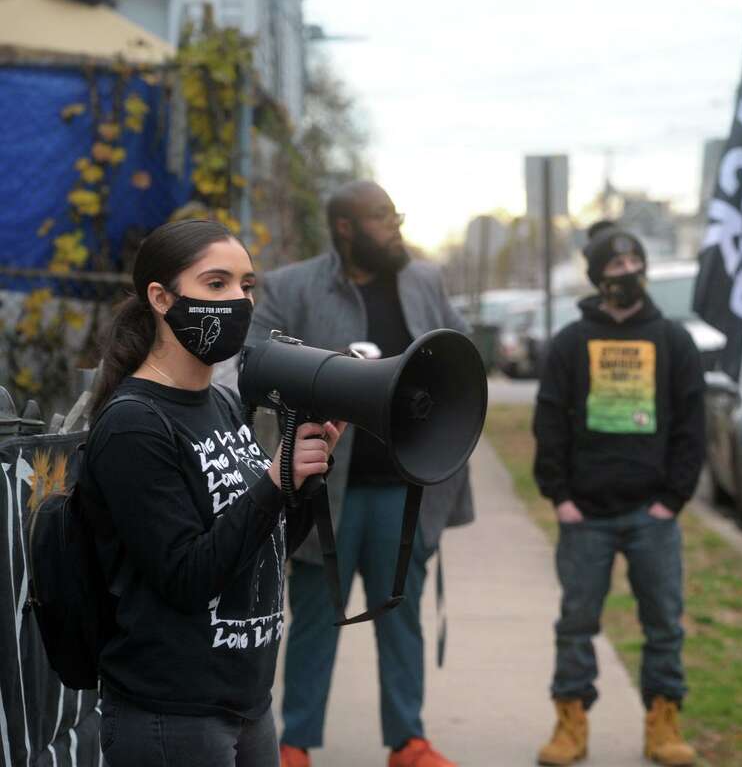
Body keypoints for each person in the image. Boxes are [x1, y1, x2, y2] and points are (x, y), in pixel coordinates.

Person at [86, 219, 344, 765]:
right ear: (161, 298)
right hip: (173, 715)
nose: (239, 301)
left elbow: (265, 548)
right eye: (216, 284)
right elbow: (186, 577)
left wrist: (298, 483)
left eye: (247, 286)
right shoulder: (135, 424)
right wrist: (274, 480)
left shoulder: (224, 406)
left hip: (248, 703)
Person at [250, 181, 472, 767]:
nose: (394, 224)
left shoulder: (424, 280)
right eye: (381, 216)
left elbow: (458, 358)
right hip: (326, 491)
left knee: (401, 620)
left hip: (405, 490)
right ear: (345, 228)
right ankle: (294, 743)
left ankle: (408, 741)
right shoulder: (292, 286)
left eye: (395, 213)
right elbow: (255, 364)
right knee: (315, 619)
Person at [532, 228, 705, 767]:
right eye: (617, 262)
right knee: (576, 624)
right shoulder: (571, 342)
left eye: (635, 260)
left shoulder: (673, 341)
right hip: (585, 516)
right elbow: (549, 422)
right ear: (597, 276)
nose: (627, 270)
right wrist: (559, 496)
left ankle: (663, 723)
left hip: (652, 514)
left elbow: (692, 427)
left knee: (664, 624)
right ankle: (570, 723)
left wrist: (672, 500)